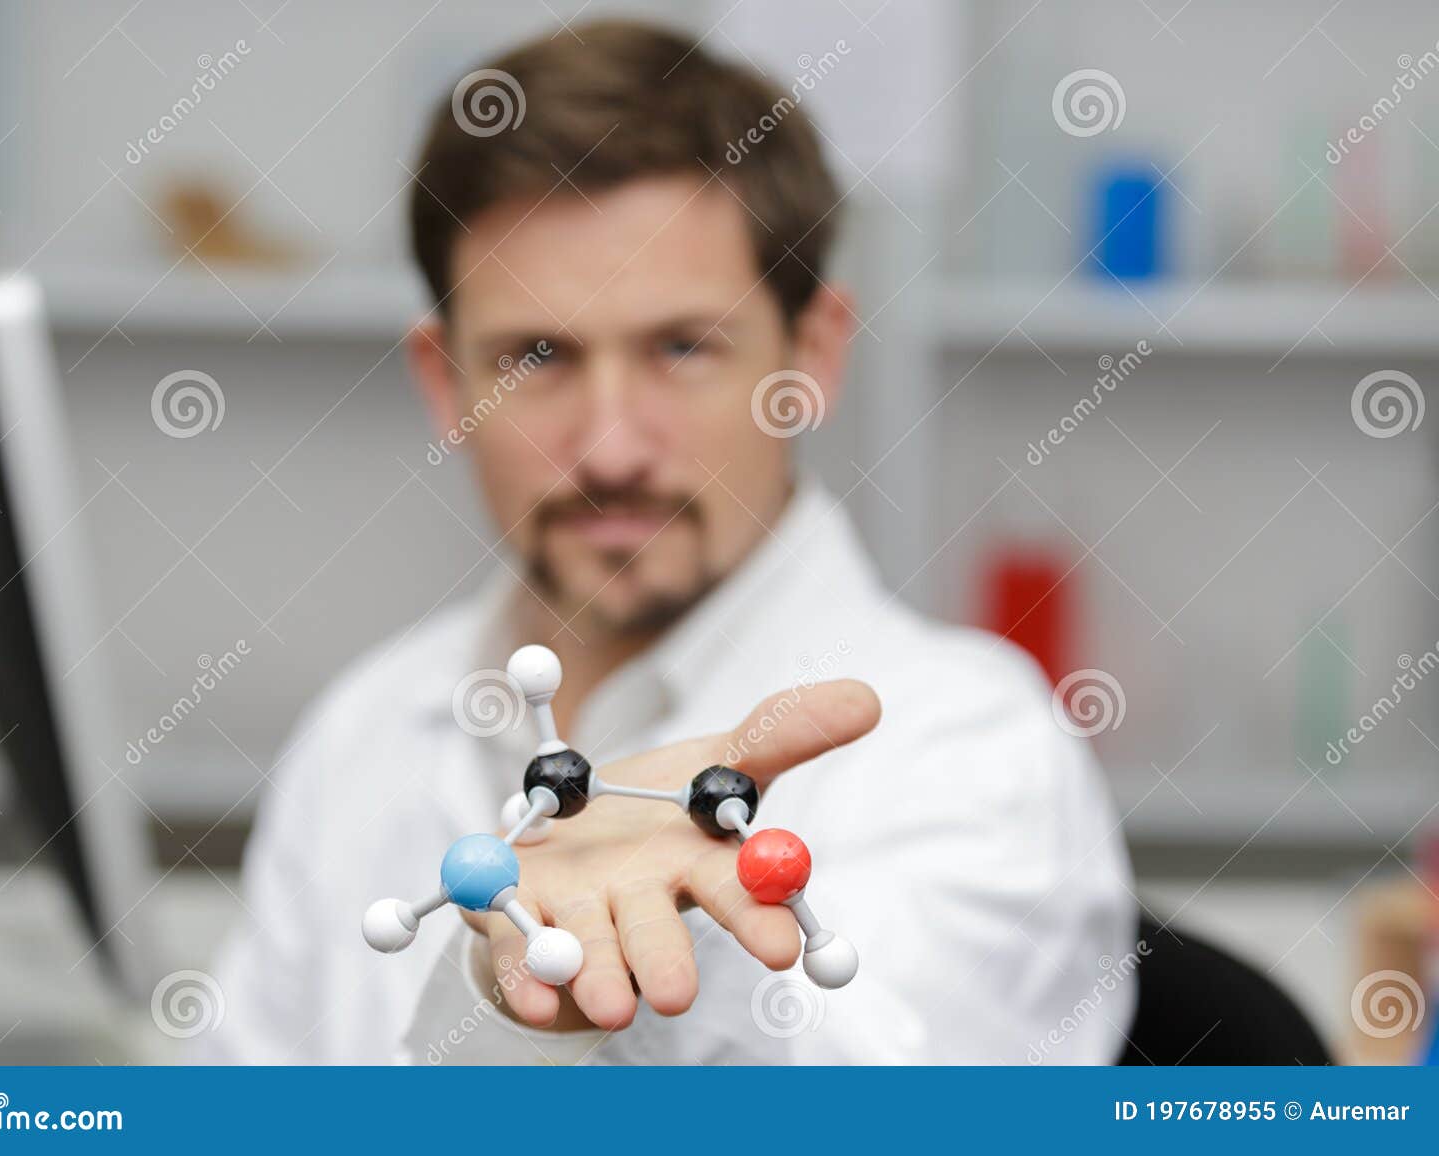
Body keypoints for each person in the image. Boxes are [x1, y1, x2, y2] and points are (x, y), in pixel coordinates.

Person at [207, 18, 1135, 1064]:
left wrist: (608, 972)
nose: (610, 449)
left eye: (683, 348)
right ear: (444, 381)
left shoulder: (973, 749)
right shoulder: (362, 732)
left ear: (813, 356)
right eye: (536, 356)